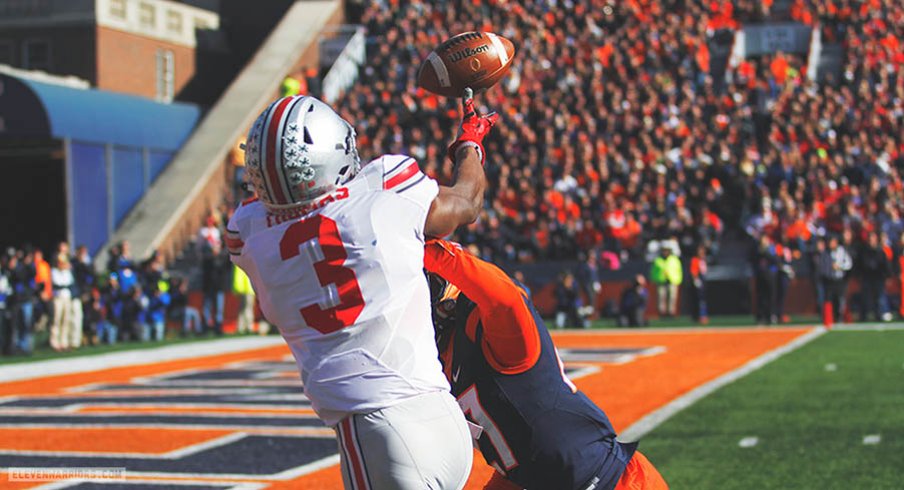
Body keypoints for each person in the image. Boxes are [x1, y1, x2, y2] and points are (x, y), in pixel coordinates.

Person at [227, 90, 495, 489]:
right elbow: (466, 202)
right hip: (441, 416)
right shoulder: (384, 185)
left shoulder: (248, 235)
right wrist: (469, 143)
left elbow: (271, 212)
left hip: (379, 434)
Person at [424, 239, 667, 490]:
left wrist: (429, 249)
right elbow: (521, 459)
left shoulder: (496, 337)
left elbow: (505, 299)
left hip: (613, 483)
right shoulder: (440, 363)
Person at [650, 247, 682, 318]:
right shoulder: (658, 260)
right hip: (661, 280)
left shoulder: (674, 260)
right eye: (664, 251)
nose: (665, 253)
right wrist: (654, 279)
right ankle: (662, 312)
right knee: (661, 297)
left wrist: (678, 280)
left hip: (672, 280)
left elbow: (678, 271)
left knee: (672, 297)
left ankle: (671, 312)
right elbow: (653, 271)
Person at [689, 245, 708, 324]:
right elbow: (693, 271)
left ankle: (703, 315)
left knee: (703, 300)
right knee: (699, 300)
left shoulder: (703, 260)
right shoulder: (695, 260)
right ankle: (699, 316)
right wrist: (696, 280)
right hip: (698, 281)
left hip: (703, 281)